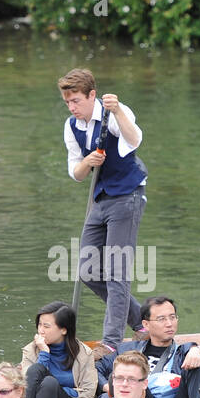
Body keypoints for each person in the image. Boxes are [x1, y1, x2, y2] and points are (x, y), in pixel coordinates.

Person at [59, 67, 146, 354]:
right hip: (101, 199)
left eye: (76, 101)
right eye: (68, 102)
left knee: (116, 270)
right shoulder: (71, 126)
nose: (72, 108)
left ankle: (110, 342)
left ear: (92, 95)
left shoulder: (113, 114)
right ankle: (140, 321)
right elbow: (77, 173)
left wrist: (119, 110)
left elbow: (134, 140)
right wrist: (88, 161)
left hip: (127, 195)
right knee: (87, 269)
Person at [95, 296, 200, 398]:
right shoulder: (127, 350)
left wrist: (198, 349)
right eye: (162, 319)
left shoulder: (185, 351)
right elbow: (96, 368)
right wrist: (108, 386)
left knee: (199, 365)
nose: (169, 323)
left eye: (172, 317)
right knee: (122, 376)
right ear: (146, 324)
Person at [20, 300, 97, 398]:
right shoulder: (31, 350)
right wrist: (44, 353)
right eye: (39, 325)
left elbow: (87, 394)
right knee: (38, 375)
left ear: (64, 330)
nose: (41, 330)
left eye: (46, 326)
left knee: (50, 384)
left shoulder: (84, 353)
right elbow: (26, 387)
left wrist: (57, 391)